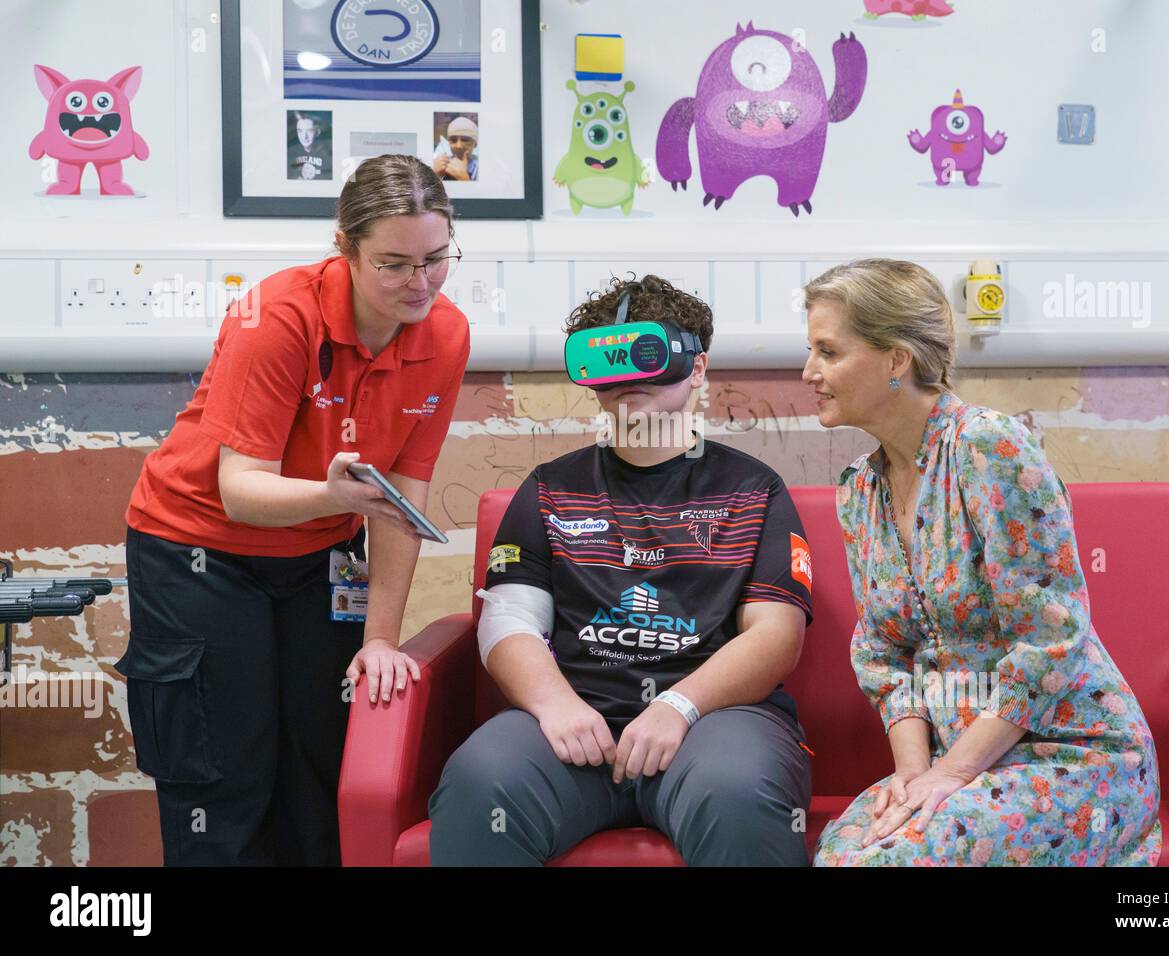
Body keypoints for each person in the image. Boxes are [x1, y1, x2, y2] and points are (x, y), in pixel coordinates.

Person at [116, 154, 470, 865]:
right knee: (227, 772)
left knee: (322, 764)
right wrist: (333, 497)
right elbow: (240, 492)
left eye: (437, 259)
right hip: (200, 550)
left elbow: (403, 500)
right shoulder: (278, 313)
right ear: (344, 249)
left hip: (321, 557)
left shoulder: (446, 334)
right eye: (394, 264)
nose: (419, 283)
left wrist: (380, 638)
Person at [426, 275, 814, 865]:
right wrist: (555, 704)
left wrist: (675, 707)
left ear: (698, 367)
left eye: (649, 360)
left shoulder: (753, 491)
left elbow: (776, 636)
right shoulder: (550, 490)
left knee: (738, 793)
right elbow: (506, 623)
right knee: (482, 782)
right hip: (573, 722)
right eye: (610, 364)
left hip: (714, 721)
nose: (630, 384)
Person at [802, 259, 1161, 866]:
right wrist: (916, 776)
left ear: (896, 360)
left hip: (1070, 753)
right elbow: (883, 655)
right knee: (841, 852)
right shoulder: (859, 491)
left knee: (890, 862)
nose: (809, 372)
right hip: (954, 761)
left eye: (828, 352)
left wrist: (955, 772)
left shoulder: (988, 447)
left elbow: (1052, 637)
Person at [288, 112, 331, 181]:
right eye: (300, 131)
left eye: (309, 131)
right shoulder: (290, 155)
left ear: (317, 132)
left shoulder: (328, 155)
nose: (304, 137)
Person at [433, 115, 478, 181]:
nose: (458, 146)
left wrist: (464, 178)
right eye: (453, 140)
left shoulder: (480, 169)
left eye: (465, 140)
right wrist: (433, 174)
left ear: (475, 144)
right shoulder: (438, 164)